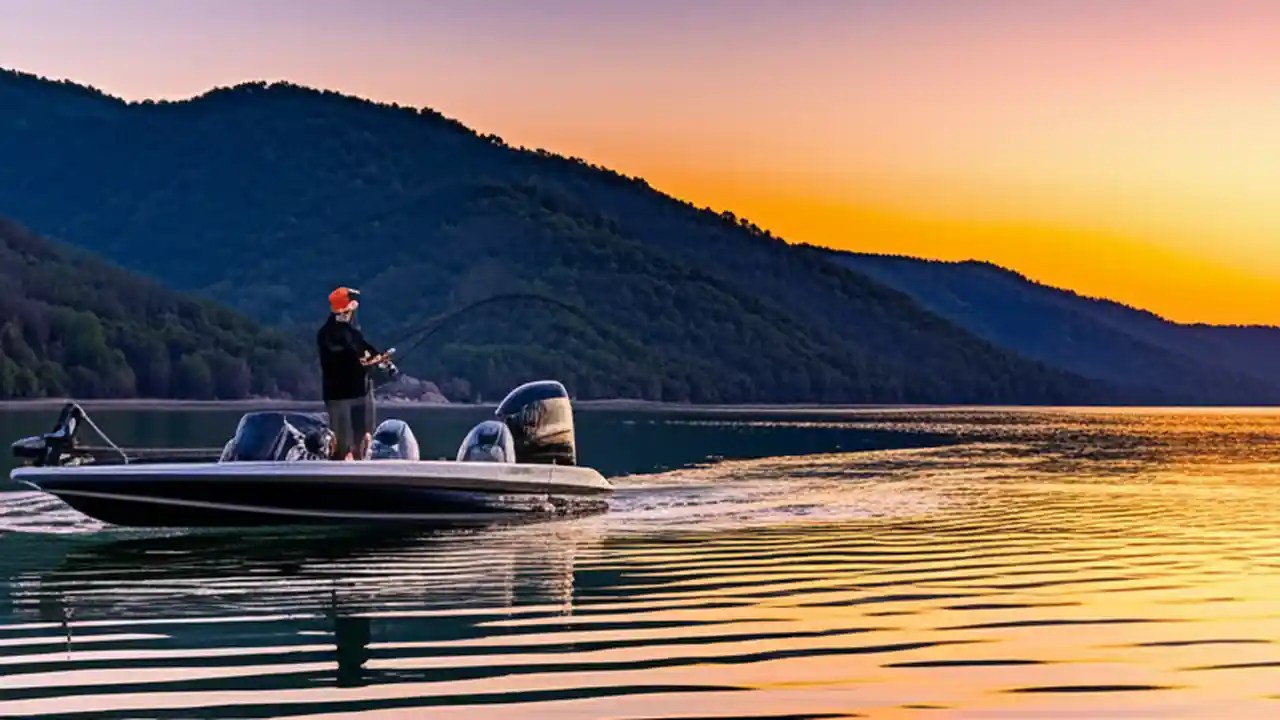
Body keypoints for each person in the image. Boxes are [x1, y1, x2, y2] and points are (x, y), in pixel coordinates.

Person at [317, 287, 388, 460]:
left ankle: (359, 464)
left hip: (360, 393)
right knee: (342, 448)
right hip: (340, 397)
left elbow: (365, 349)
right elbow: (343, 360)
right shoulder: (327, 336)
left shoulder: (352, 333)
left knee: (363, 440)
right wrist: (366, 364)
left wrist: (378, 358)